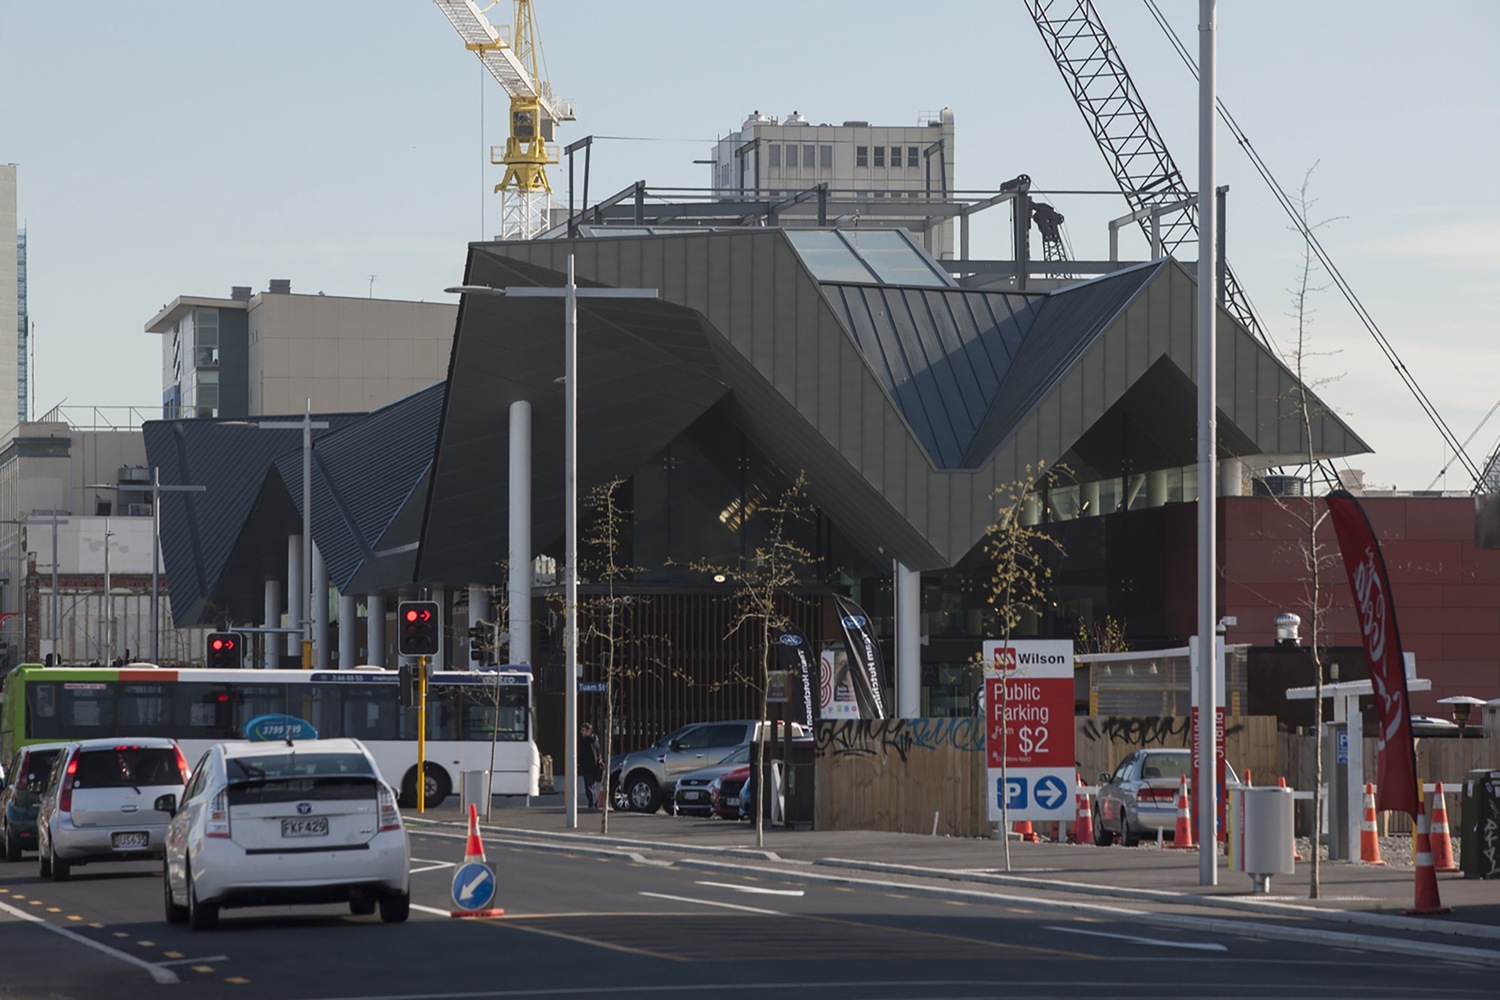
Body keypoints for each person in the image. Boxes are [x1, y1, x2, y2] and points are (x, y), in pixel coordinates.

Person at [580, 722, 603, 809]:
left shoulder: (586, 741)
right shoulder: (595, 740)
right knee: (592, 785)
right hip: (595, 766)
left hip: (587, 766)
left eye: (583, 730)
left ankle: (592, 803)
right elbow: (598, 752)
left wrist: (578, 761)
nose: (582, 732)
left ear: (588, 731)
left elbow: (582, 754)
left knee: (588, 786)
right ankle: (594, 801)